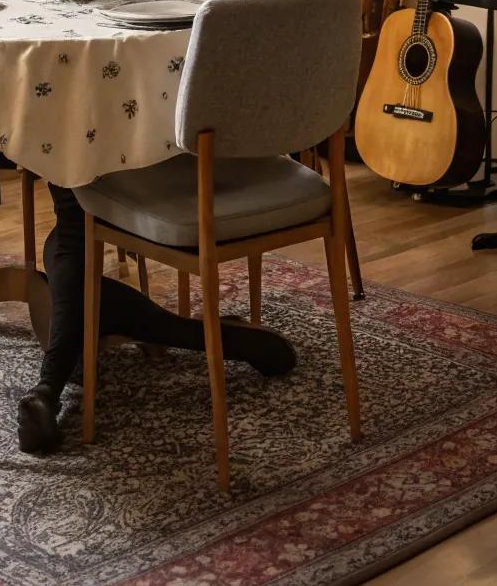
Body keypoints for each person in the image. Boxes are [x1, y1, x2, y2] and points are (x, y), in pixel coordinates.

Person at [17, 184, 296, 452]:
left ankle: (49, 387)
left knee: (71, 223)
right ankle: (193, 334)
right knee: (70, 231)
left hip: (147, 186)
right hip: (221, 175)